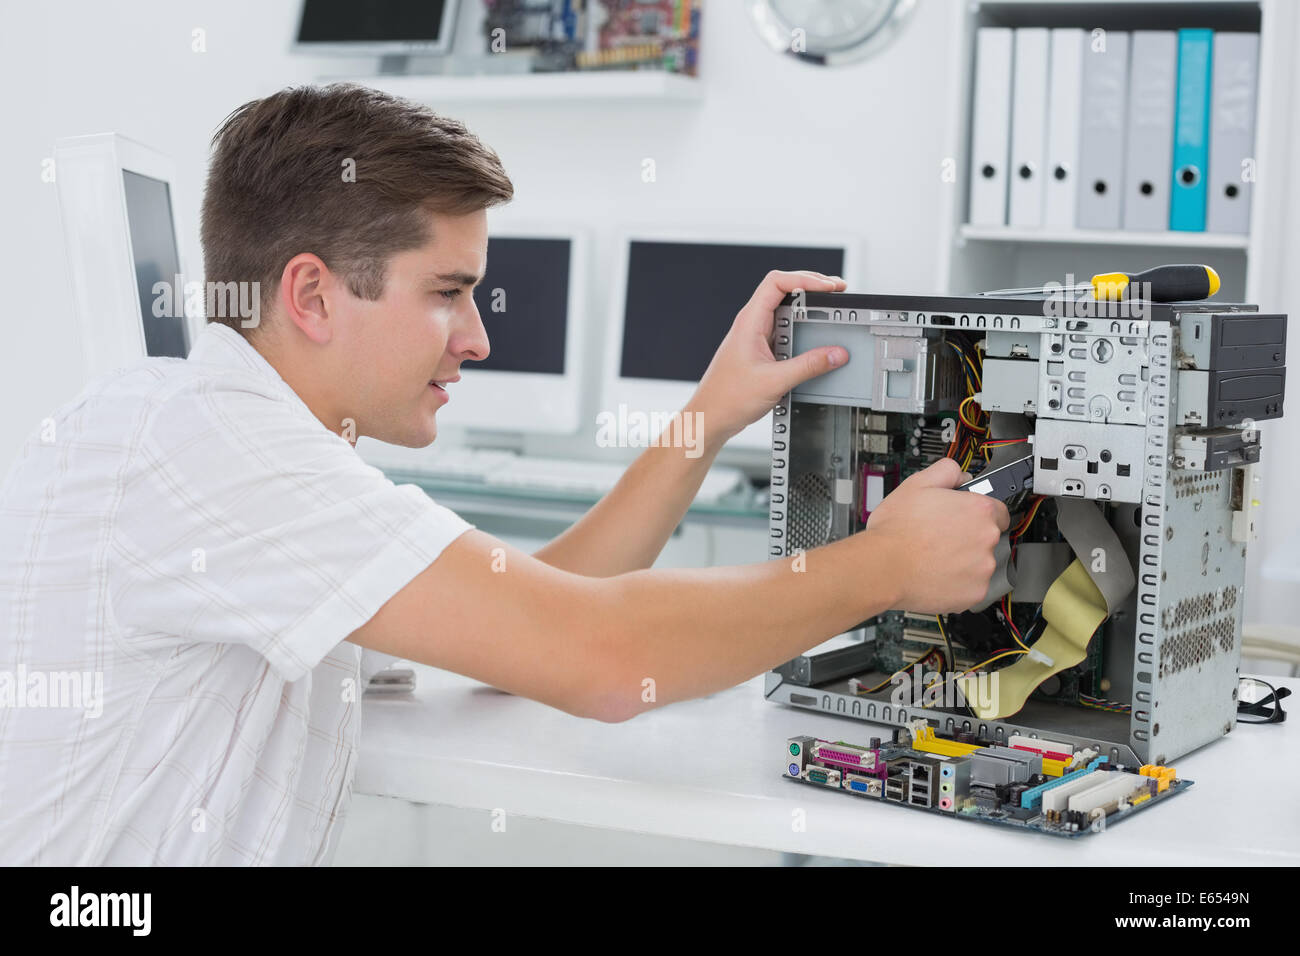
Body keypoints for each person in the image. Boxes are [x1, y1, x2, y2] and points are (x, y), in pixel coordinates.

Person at [0, 84, 1007, 865]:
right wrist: (882, 566)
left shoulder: (245, 449)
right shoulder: (214, 451)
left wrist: (708, 413)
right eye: (447, 293)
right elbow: (601, 656)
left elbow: (529, 620)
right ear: (310, 292)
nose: (478, 338)